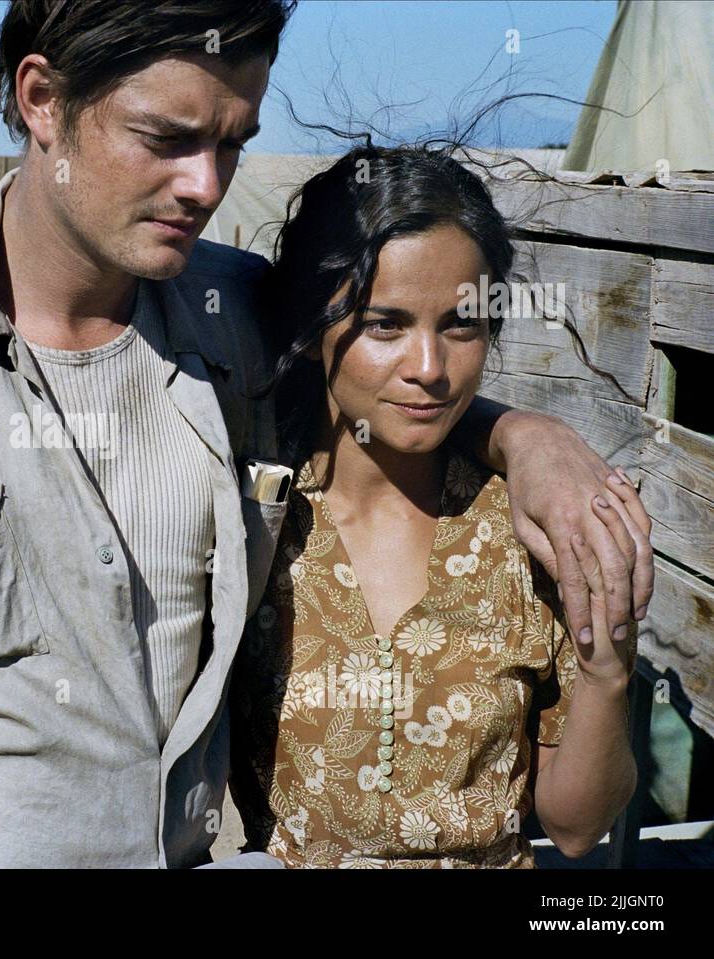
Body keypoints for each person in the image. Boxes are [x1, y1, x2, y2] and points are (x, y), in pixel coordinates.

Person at [0, 1, 651, 869]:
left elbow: (391, 374)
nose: (207, 185)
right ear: (41, 101)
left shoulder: (237, 328)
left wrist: (525, 437)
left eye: (233, 142)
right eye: (166, 138)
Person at [228, 145, 645, 868]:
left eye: (459, 324)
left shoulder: (530, 531)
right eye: (385, 324)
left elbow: (576, 828)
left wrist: (608, 670)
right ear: (312, 322)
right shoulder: (255, 525)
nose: (429, 368)